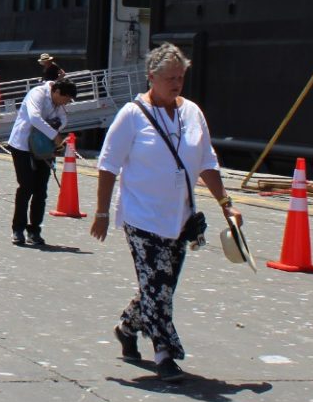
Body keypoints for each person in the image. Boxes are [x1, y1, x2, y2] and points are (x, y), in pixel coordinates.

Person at [90, 42, 240, 382]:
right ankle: (165, 354)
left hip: (180, 218)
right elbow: (108, 165)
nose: (176, 84)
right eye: (170, 77)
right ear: (151, 77)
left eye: (181, 77)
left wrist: (226, 203)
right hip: (142, 217)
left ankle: (128, 327)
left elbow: (206, 162)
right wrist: (101, 213)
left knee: (160, 287)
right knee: (157, 287)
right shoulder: (131, 115)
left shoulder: (192, 114)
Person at [4, 78, 77, 246]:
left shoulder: (58, 104)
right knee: (26, 187)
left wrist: (53, 129)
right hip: (23, 145)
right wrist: (54, 134)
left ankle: (34, 230)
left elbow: (63, 120)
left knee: (41, 190)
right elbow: (34, 118)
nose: (65, 103)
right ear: (57, 92)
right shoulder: (37, 94)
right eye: (65, 99)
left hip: (44, 149)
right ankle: (18, 229)